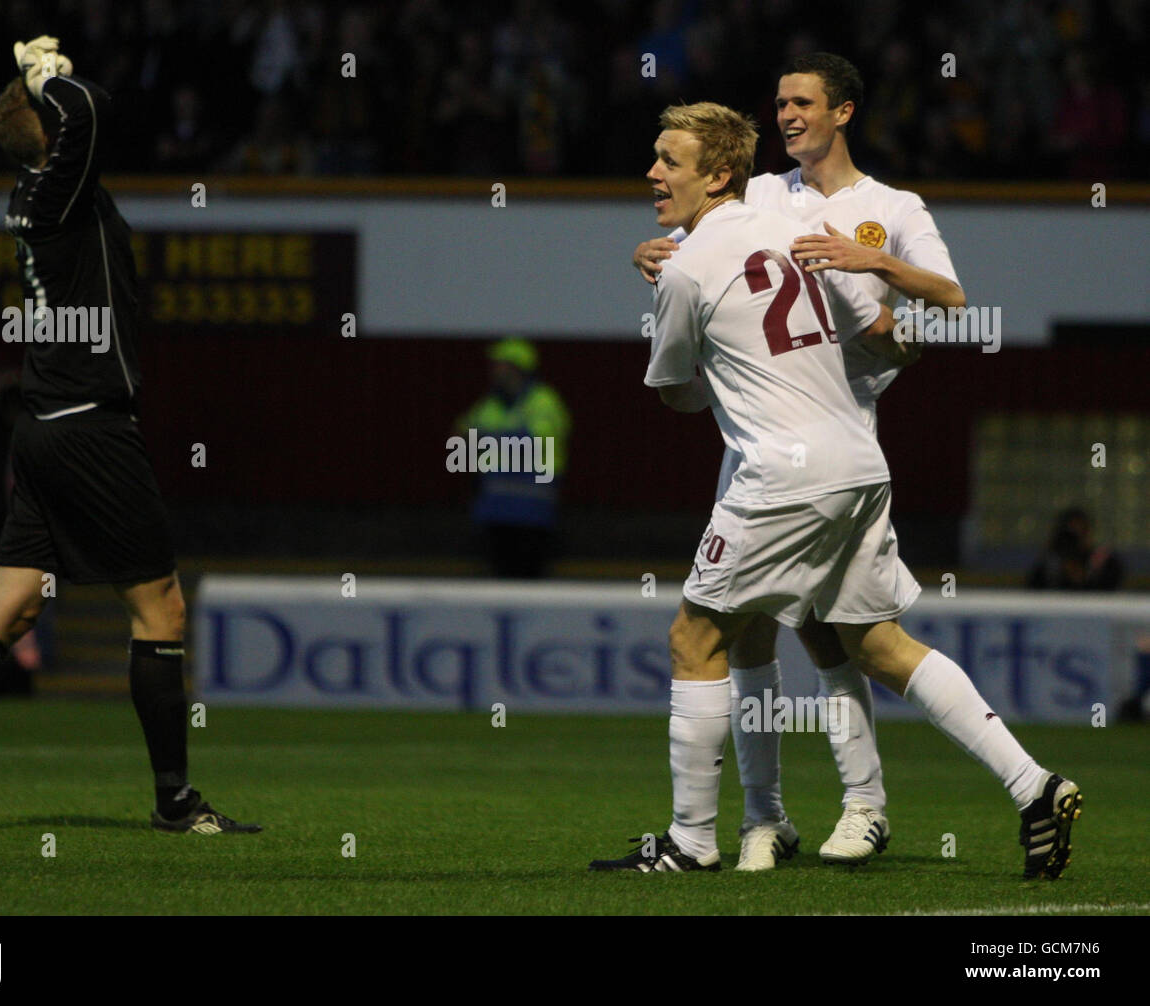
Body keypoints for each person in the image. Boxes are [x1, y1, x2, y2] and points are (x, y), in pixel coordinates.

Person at [589, 101, 1079, 880]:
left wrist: (726, 369)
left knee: (696, 637)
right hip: (857, 457)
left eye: (668, 161)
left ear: (718, 175)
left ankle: (692, 841)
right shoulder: (795, 230)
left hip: (782, 473)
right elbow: (888, 328)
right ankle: (1035, 786)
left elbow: (675, 392)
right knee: (877, 645)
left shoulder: (686, 268)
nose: (652, 172)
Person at [0, 37, 258, 836]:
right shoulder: (55, 192)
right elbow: (87, 108)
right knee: (160, 610)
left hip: (45, 428)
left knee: (9, 607)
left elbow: (89, 116)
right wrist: (42, 73)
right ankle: (174, 804)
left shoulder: (34, 194)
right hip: (91, 428)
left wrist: (40, 85)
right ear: (52, 140)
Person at [630, 53, 966, 871]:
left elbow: (948, 303)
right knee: (788, 636)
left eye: (803, 102)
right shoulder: (771, 200)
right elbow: (694, 252)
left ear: (843, 111)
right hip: (792, 449)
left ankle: (836, 809)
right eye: (778, 101)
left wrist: (877, 267)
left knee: (820, 636)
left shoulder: (886, 208)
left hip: (809, 445)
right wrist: (651, 256)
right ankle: (767, 817)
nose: (786, 114)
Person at [455, 338, 571, 579]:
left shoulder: (543, 401)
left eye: (501, 364)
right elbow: (461, 435)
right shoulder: (490, 403)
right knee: (497, 578)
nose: (495, 370)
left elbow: (536, 443)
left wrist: (489, 439)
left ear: (518, 368)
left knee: (529, 579)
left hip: (532, 513)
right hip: (494, 510)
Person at [1028, 507, 1124, 590]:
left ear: (1088, 533)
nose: (1073, 542)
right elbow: (1033, 594)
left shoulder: (1105, 564)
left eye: (1080, 533)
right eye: (1069, 537)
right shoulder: (1049, 565)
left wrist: (1088, 574)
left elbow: (1110, 593)